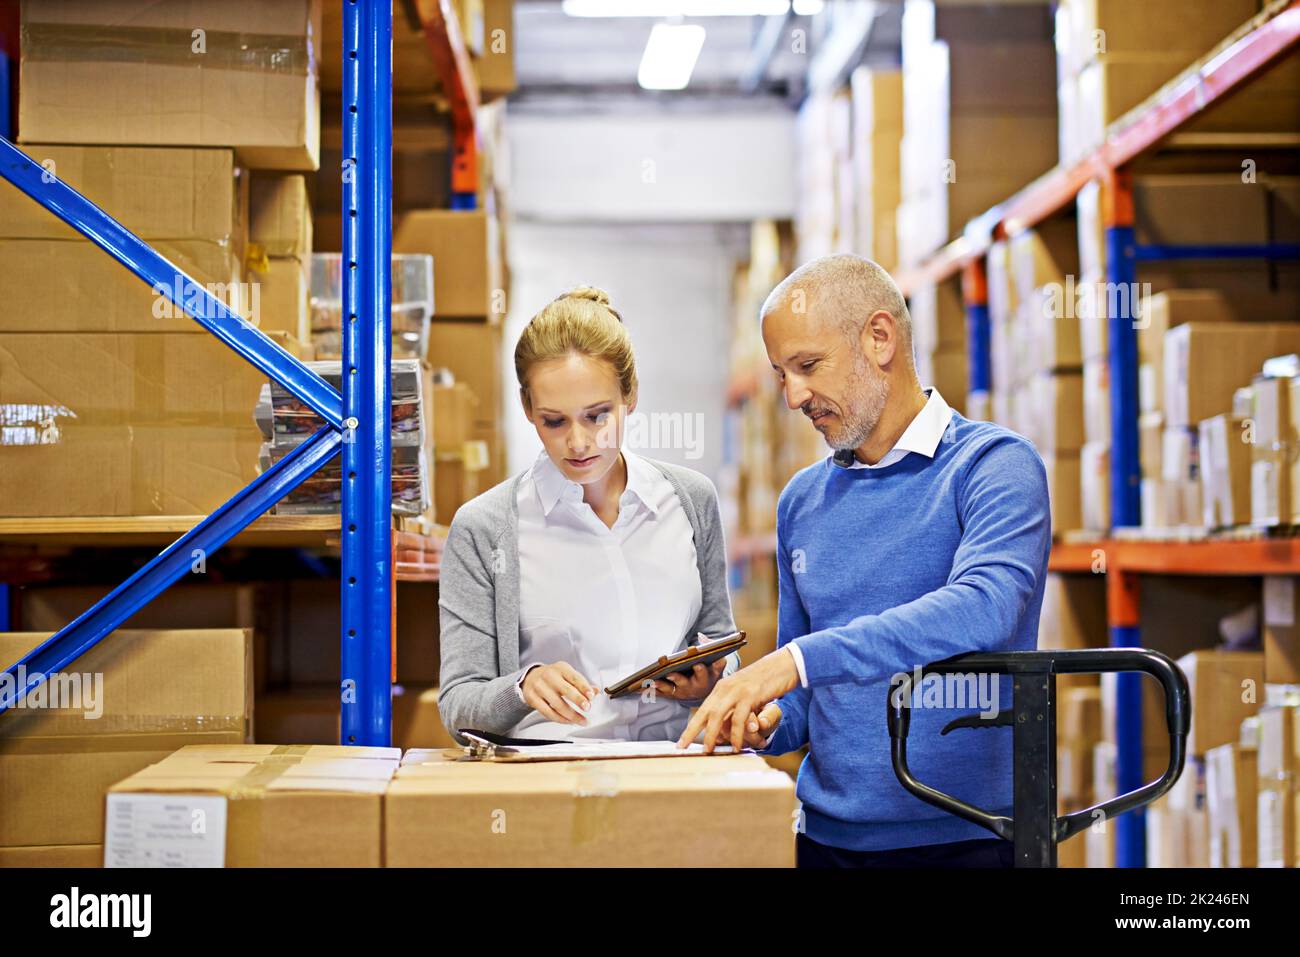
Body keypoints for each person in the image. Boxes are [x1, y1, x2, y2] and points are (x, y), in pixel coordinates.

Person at [679, 254, 1051, 868]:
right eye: (780, 375)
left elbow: (984, 608)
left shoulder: (993, 467)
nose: (793, 396)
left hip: (968, 840)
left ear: (880, 338)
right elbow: (805, 701)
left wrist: (795, 662)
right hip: (827, 844)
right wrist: (766, 720)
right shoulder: (801, 501)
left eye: (807, 366)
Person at [439, 285, 739, 743]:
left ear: (630, 396)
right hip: (552, 772)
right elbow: (458, 705)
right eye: (554, 421)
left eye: (597, 416)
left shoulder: (691, 501)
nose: (578, 443)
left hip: (674, 765)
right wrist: (521, 687)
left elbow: (722, 644)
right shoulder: (484, 528)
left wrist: (710, 678)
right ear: (527, 408)